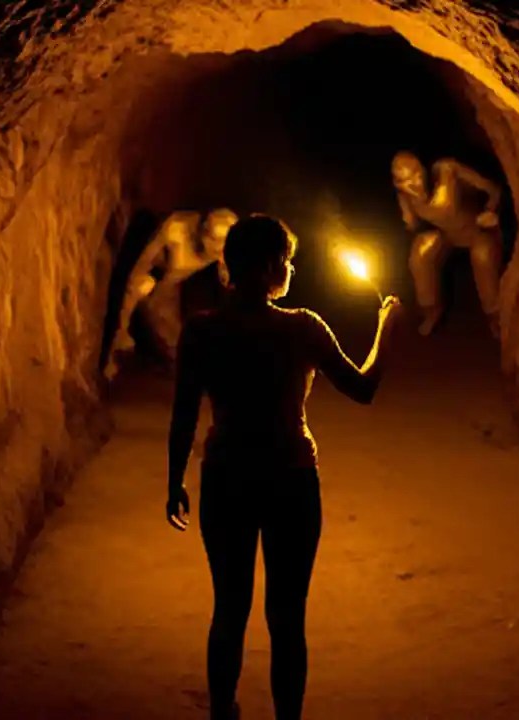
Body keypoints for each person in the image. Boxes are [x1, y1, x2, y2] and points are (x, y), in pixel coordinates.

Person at [165, 215, 402, 720]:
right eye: (288, 260)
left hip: (227, 478)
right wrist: (387, 328)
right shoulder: (302, 327)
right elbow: (362, 388)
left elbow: (184, 413)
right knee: (287, 617)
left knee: (229, 609)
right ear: (272, 266)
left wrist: (174, 481)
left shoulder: (202, 331)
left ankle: (222, 711)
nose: (291, 269)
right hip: (290, 479)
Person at [105, 208, 239, 379]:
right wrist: (120, 336)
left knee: (175, 346)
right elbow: (135, 277)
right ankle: (116, 353)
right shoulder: (175, 232)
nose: (219, 248)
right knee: (141, 293)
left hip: (173, 284)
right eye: (216, 241)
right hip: (156, 276)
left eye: (225, 244)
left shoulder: (225, 251)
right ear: (203, 233)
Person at [391, 150, 504, 338]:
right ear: (398, 184)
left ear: (423, 169)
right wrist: (412, 221)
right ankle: (431, 309)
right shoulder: (406, 197)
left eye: (417, 174)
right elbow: (414, 225)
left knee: (482, 256)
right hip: (449, 236)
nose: (415, 183)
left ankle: (495, 313)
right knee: (420, 250)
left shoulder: (447, 170)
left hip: (478, 228)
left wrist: (491, 211)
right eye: (406, 181)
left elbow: (493, 190)